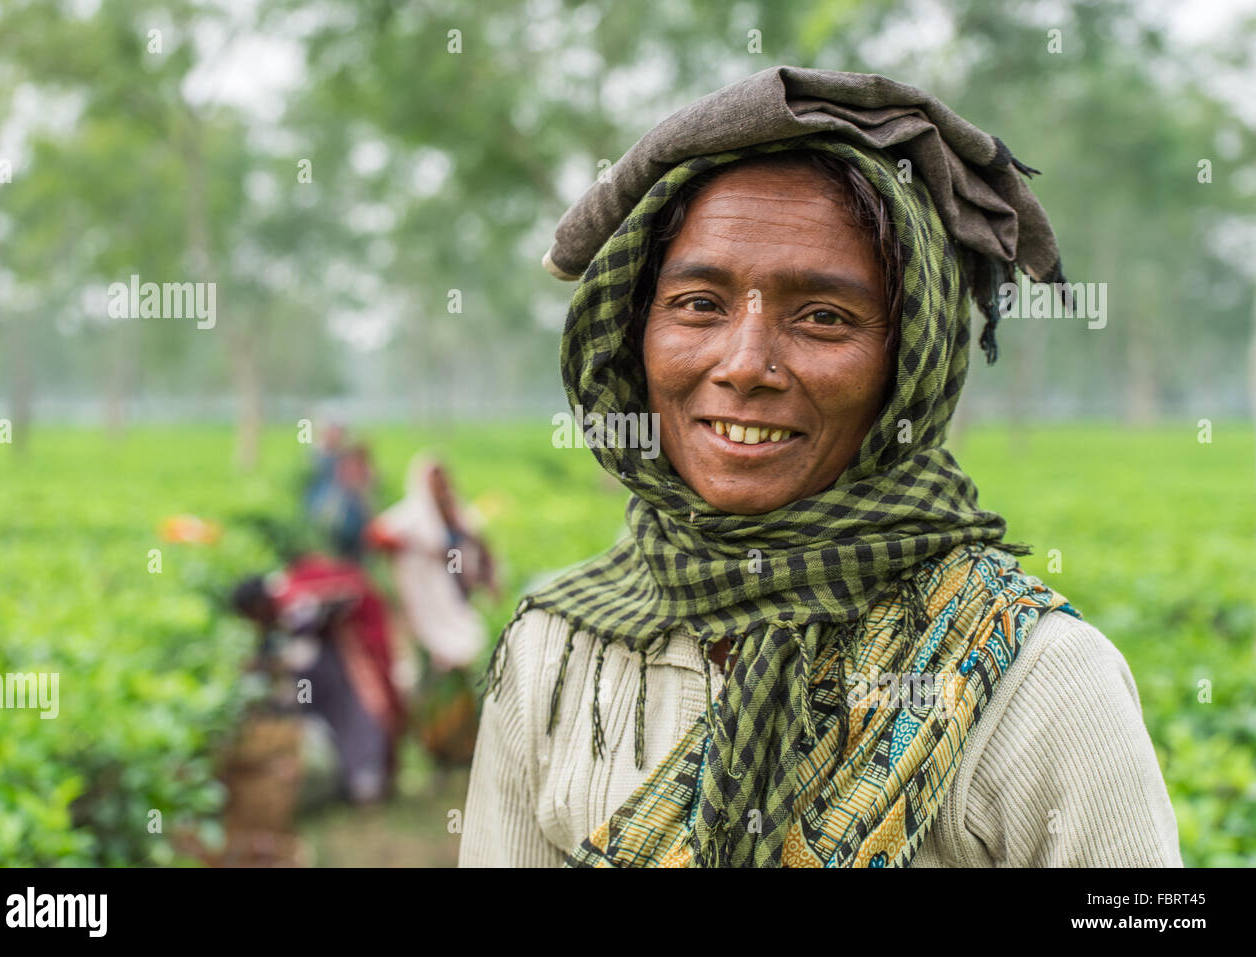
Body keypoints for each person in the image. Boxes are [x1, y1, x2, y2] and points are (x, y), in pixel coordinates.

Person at [459, 66, 1182, 867]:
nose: (745, 364)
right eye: (700, 303)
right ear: (635, 336)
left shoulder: (1040, 680)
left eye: (825, 317)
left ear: (908, 361)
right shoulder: (555, 650)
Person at [232, 553, 405, 803]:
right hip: (332, 667)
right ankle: (361, 778)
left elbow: (340, 604)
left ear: (257, 607)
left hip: (351, 661)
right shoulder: (288, 599)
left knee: (361, 715)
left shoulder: (294, 602)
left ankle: (369, 778)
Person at [366, 454, 497, 766]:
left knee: (461, 669)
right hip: (426, 608)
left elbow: (481, 547)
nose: (440, 486)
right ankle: (438, 744)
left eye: (443, 479)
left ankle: (463, 743)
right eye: (434, 480)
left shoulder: (458, 515)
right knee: (432, 675)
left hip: (455, 604)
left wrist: (485, 579)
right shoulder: (412, 518)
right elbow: (378, 534)